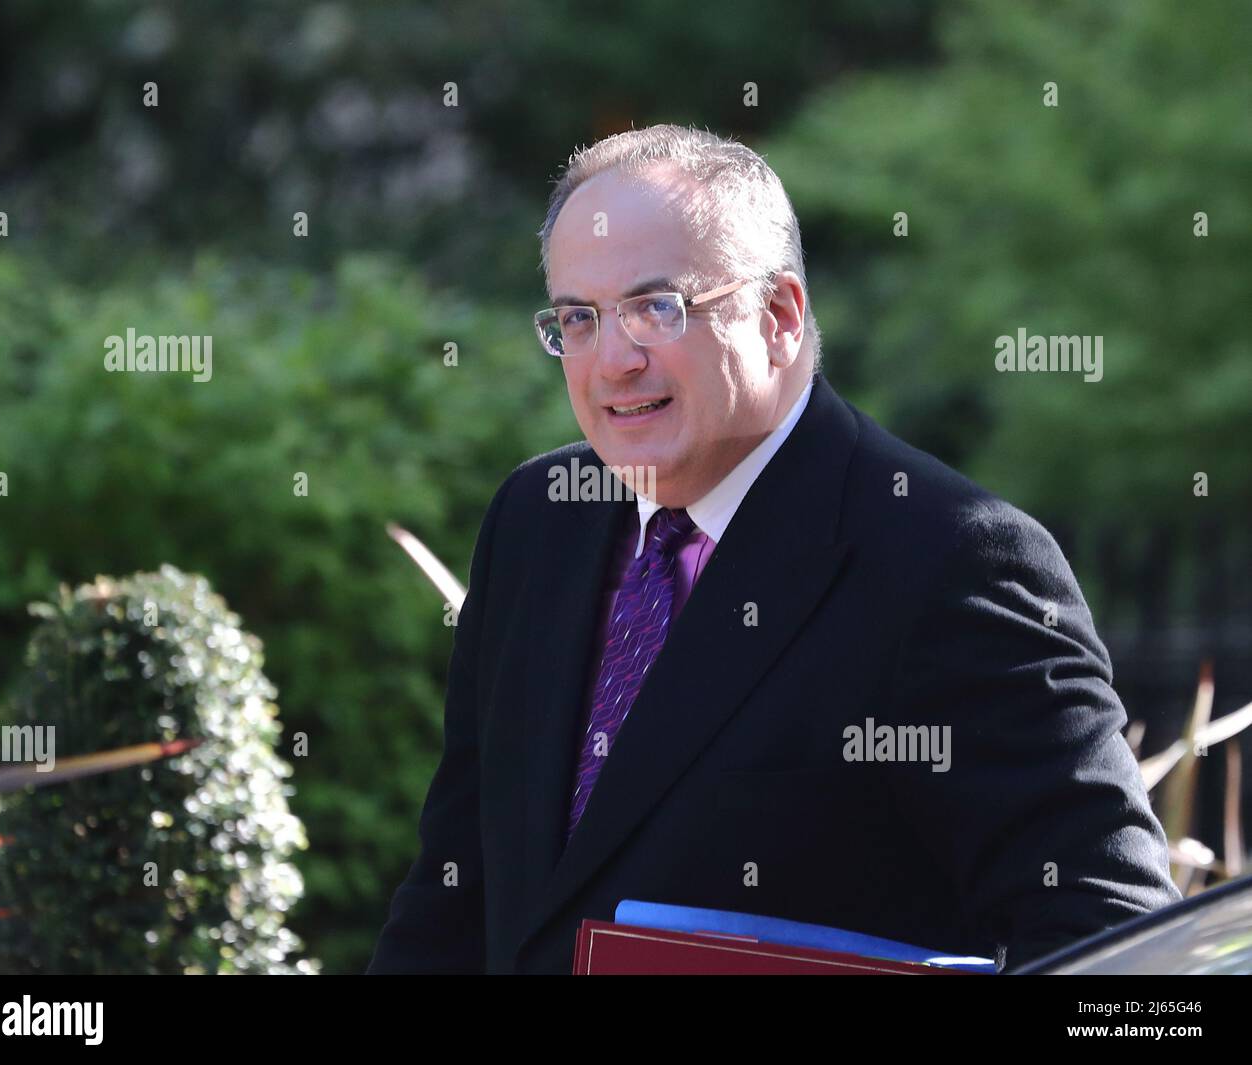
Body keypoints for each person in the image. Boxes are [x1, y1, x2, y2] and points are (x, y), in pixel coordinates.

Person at [367, 124, 1180, 974]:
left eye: (656, 307)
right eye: (579, 318)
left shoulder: (950, 561)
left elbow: (1116, 948)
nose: (612, 361)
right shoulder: (535, 522)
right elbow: (453, 895)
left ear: (781, 315)